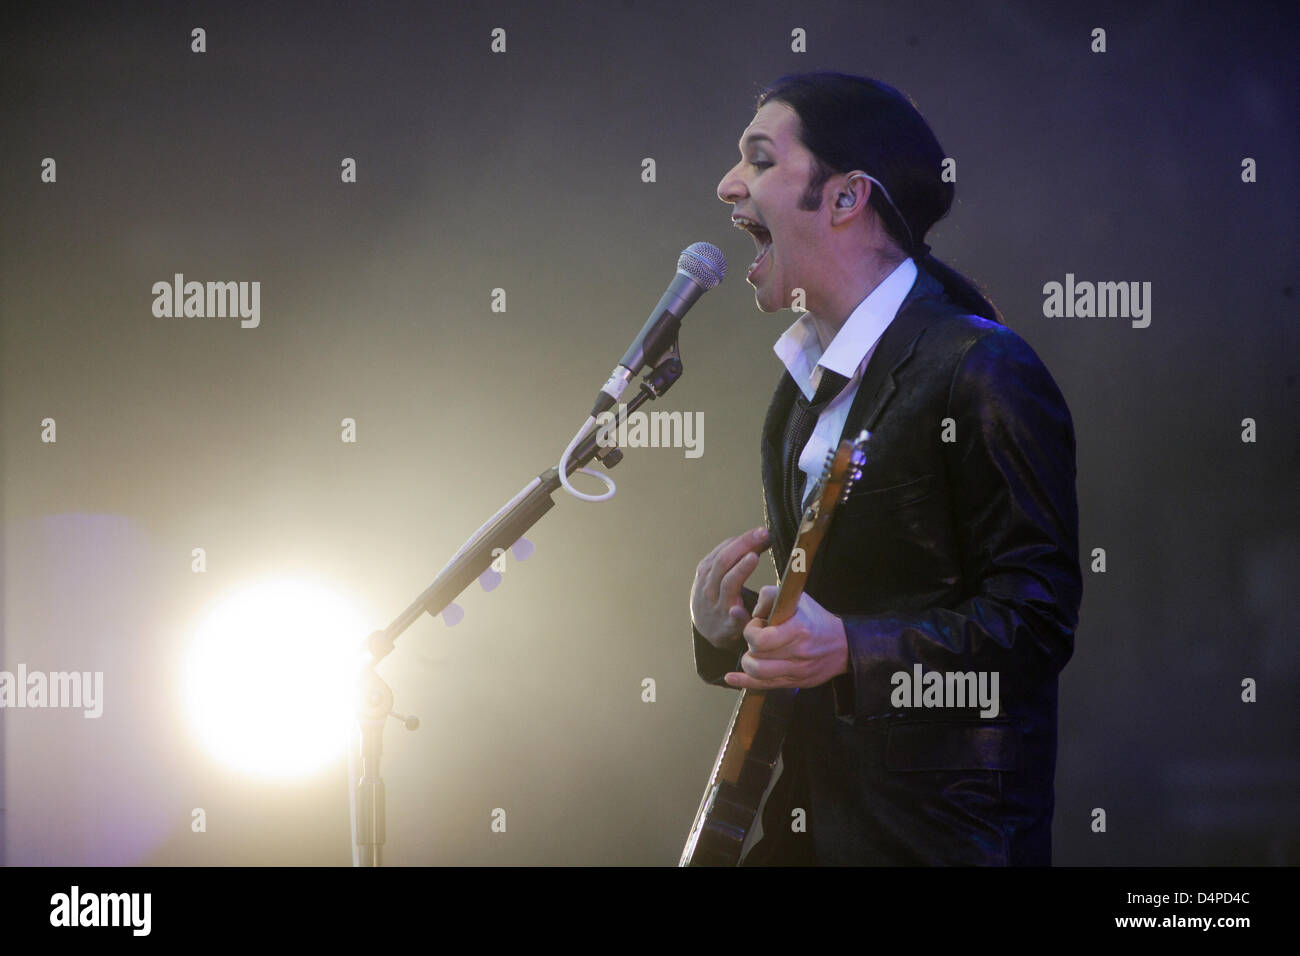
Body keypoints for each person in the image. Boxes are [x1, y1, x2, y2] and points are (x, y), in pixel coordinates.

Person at [689, 72, 1082, 865]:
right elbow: (830, 621)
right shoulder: (796, 393)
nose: (729, 185)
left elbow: (1037, 624)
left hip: (936, 845)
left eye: (760, 161)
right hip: (809, 830)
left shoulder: (980, 367)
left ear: (845, 199)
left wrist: (851, 649)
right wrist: (731, 634)